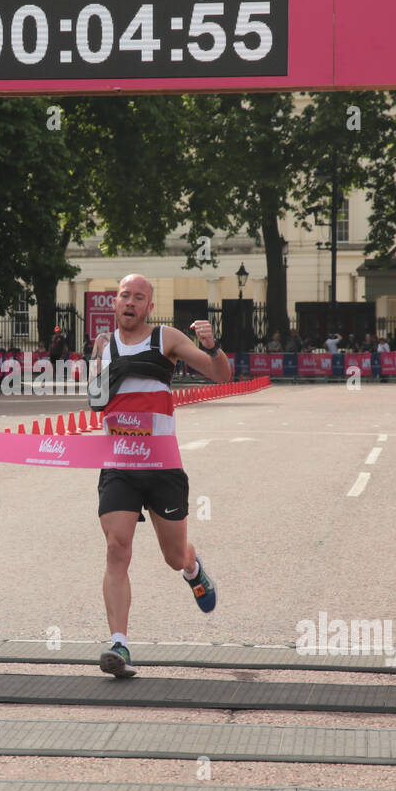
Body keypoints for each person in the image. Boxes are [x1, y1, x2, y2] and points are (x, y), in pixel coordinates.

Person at [87, 275, 230, 679]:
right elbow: (97, 405)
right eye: (124, 296)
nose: (130, 302)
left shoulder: (165, 339)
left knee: (172, 555)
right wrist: (96, 365)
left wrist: (211, 346)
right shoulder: (104, 347)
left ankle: (192, 569)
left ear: (149, 306)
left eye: (138, 298)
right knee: (117, 547)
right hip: (118, 465)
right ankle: (120, 644)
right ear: (115, 303)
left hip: (162, 466)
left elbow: (221, 375)